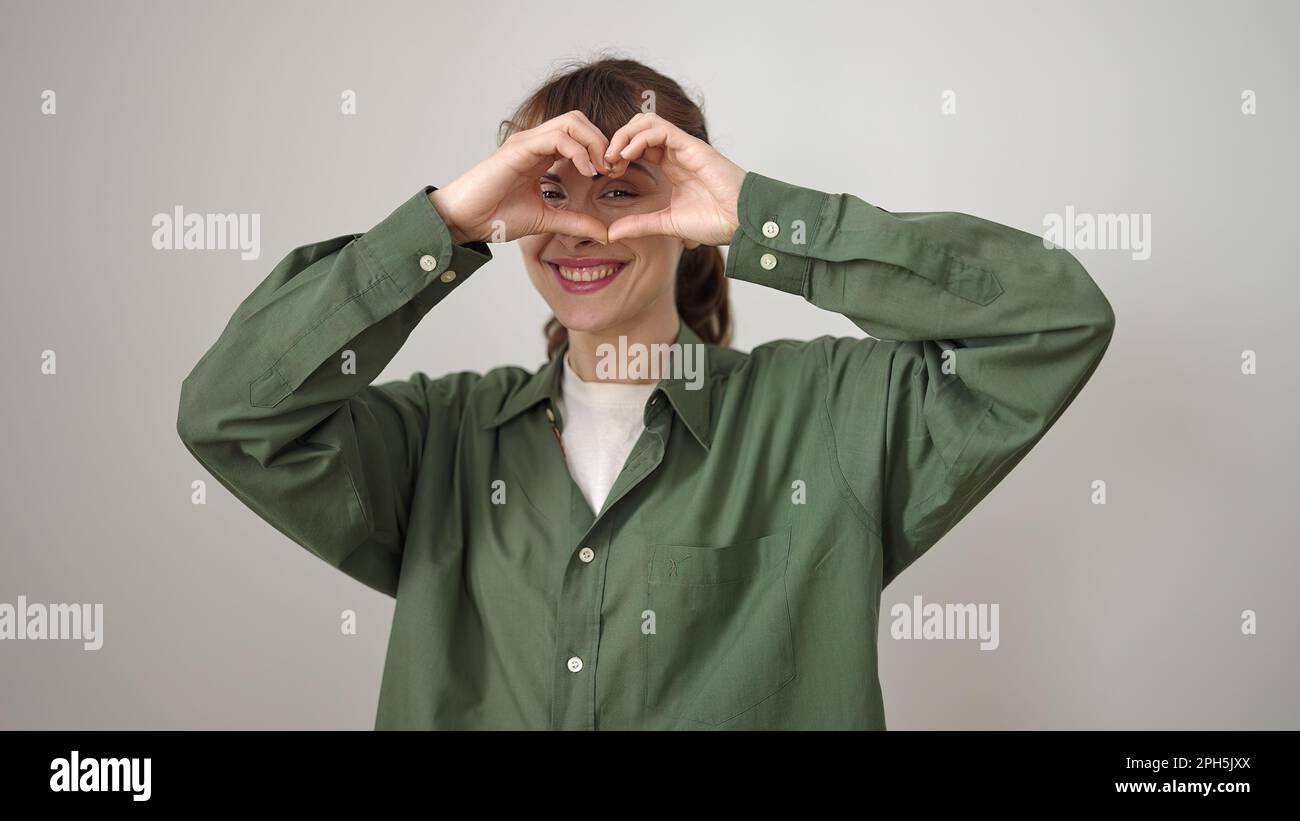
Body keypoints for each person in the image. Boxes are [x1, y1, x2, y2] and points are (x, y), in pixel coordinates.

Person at [176, 56, 1115, 729]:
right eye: (549, 191)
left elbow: (1052, 321)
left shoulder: (829, 417)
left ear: (687, 212)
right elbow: (233, 411)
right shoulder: (439, 443)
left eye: (621, 193)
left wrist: (760, 216)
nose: (579, 229)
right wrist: (446, 223)